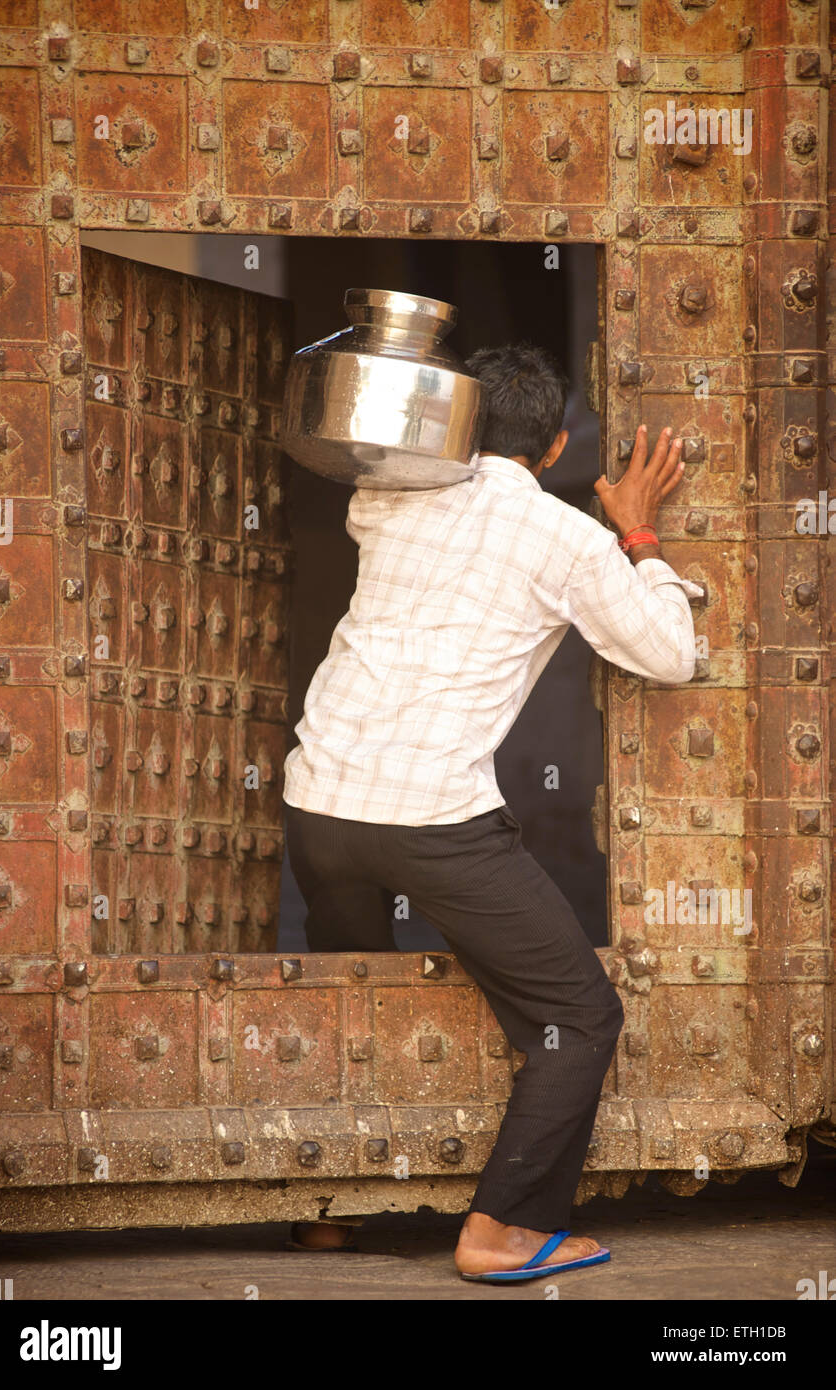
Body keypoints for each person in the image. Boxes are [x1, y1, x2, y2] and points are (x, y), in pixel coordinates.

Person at [282, 342, 702, 1283]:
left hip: (320, 799)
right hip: (433, 819)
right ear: (557, 448)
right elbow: (670, 654)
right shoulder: (568, 538)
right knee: (580, 1016)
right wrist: (636, 533)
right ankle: (502, 1227)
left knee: (355, 991)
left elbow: (380, 471)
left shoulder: (387, 498)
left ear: (461, 425)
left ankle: (331, 1208)